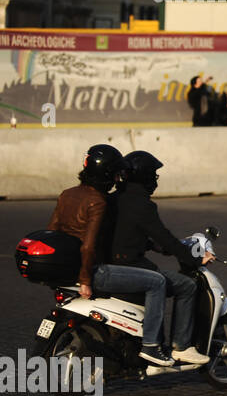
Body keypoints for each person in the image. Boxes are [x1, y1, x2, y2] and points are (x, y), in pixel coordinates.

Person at [108, 151, 212, 367]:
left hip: (109, 266)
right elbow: (166, 238)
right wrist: (195, 259)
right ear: (145, 176)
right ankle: (180, 347)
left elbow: (123, 233)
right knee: (186, 285)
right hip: (130, 267)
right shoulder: (142, 204)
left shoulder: (114, 199)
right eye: (153, 174)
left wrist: (150, 245)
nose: (155, 179)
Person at [46, 145, 122, 302]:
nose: (117, 181)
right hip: (90, 269)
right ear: (106, 174)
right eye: (115, 175)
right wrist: (85, 281)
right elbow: (88, 245)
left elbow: (51, 233)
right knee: (156, 282)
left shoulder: (67, 194)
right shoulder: (98, 201)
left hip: (67, 267)